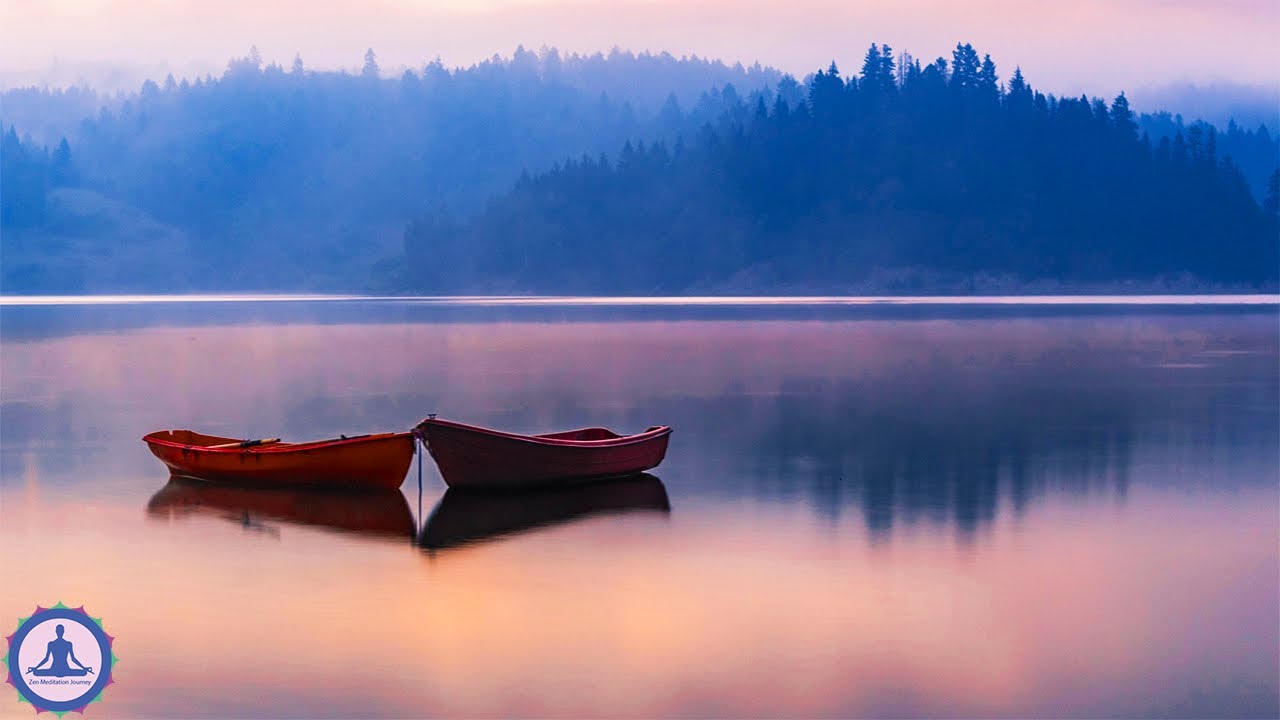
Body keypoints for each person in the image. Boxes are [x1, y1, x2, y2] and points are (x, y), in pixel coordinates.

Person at [26, 624, 93, 677]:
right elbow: (46, 659)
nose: (59, 632)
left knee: (84, 672)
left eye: (60, 631)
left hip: (59, 670)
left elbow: (73, 659)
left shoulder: (65, 644)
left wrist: (83, 668)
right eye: (59, 631)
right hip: (60, 670)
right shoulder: (53, 644)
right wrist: (36, 667)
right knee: (35, 672)